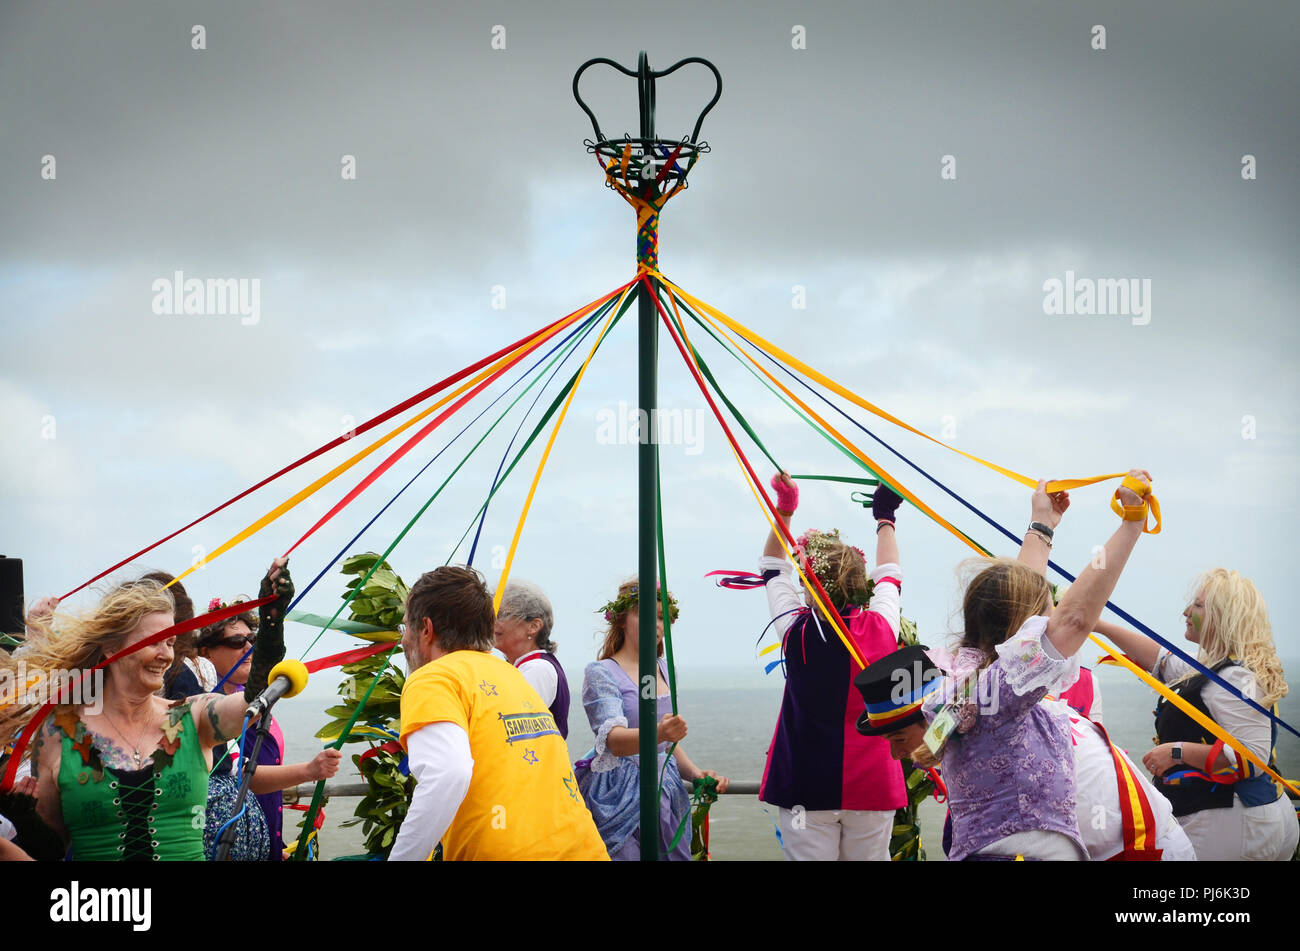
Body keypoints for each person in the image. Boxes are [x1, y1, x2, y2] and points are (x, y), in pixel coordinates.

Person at [906, 469, 1157, 861]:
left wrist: (1042, 525)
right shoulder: (1002, 687)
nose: (1051, 618)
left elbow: (1019, 601)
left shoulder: (975, 682)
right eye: (1046, 615)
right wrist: (1132, 523)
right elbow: (1074, 620)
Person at [9, 557, 296, 861]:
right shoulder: (58, 733)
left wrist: (272, 623)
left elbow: (254, 697)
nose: (165, 655)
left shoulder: (193, 716)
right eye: (154, 642)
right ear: (111, 646)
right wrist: (26, 822)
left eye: (171, 643)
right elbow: (52, 848)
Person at [856, 644, 1195, 861]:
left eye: (898, 737)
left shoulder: (987, 745)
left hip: (1143, 851)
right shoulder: (991, 711)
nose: (896, 754)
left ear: (933, 718)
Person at [390, 565, 607, 861]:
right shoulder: (512, 675)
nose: (402, 640)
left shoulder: (434, 677)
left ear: (426, 629)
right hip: (584, 849)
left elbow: (448, 773)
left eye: (405, 627)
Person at [1097, 569, 1298, 861]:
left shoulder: (1235, 677)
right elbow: (1161, 661)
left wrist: (1177, 752)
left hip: (1235, 823)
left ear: (1222, 616)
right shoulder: (1214, 669)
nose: (1186, 611)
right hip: (1242, 820)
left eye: (1198, 605)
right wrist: (1099, 625)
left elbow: (1252, 758)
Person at [756, 471, 906, 860]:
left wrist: (786, 509)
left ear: (811, 583)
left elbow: (772, 566)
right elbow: (890, 574)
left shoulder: (796, 631)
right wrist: (884, 517)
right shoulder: (883, 626)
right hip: (873, 786)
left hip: (806, 785)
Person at [573, 580, 729, 861]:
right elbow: (614, 742)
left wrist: (696, 774)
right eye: (645, 614)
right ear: (621, 620)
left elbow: (667, 742)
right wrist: (660, 732)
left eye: (661, 617)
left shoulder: (665, 670)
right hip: (618, 792)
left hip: (664, 791)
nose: (656, 624)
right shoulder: (602, 672)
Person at [196, 597, 341, 861]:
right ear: (206, 652)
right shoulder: (207, 712)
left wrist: (275, 843)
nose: (248, 648)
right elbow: (241, 775)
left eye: (251, 639)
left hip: (262, 838)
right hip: (230, 843)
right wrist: (309, 770)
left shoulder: (259, 700)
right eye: (236, 642)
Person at [494, 580, 569, 738]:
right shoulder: (530, 666)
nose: (493, 622)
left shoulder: (537, 669)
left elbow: (507, 725)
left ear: (533, 626)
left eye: (501, 615)